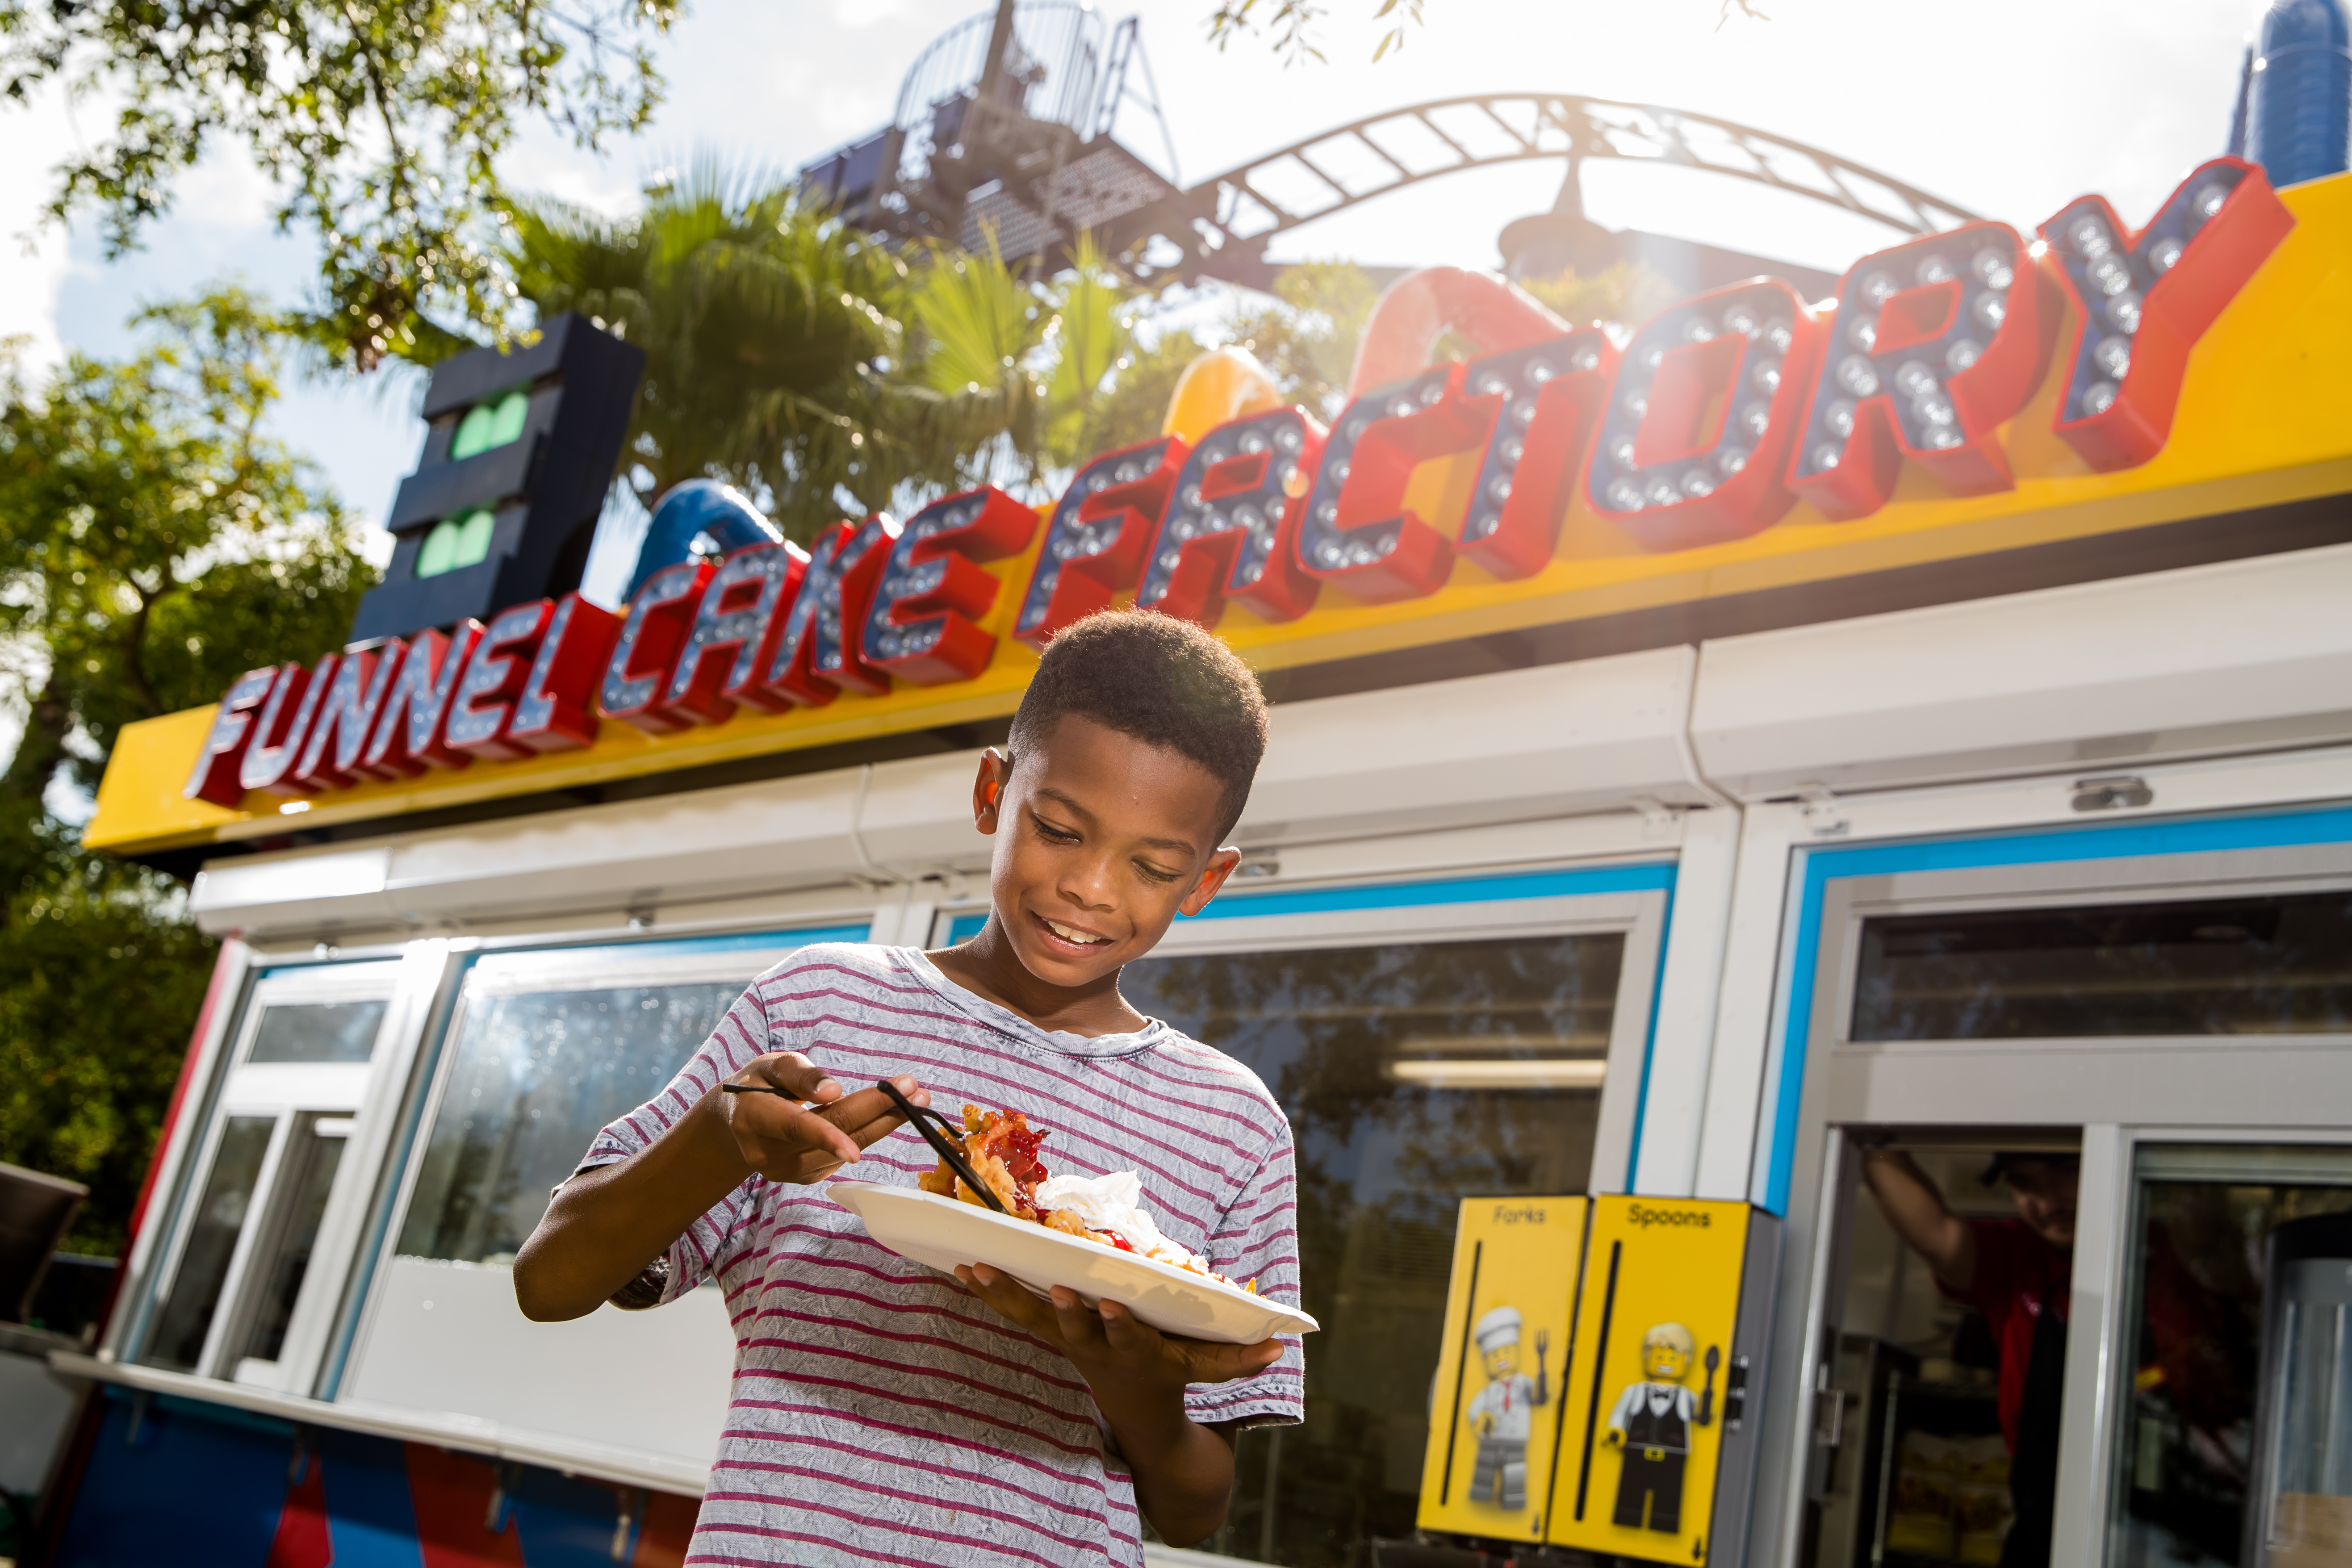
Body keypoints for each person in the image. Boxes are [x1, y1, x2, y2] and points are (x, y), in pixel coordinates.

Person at [511, 609, 1304, 1566]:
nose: (1092, 888)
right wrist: (720, 1142)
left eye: (1152, 866)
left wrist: (1125, 1378)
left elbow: (1192, 1512)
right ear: (991, 792)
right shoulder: (820, 1004)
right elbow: (549, 1281)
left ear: (1204, 881)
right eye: (1058, 829)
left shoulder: (1232, 1124)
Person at [1861, 1148, 2079, 1568]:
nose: (2048, 1201)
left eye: (2066, 1172)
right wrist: (1866, 1120)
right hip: (2039, 1532)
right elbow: (1938, 1234)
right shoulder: (2017, 1255)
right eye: (2025, 1183)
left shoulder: (2160, 1257)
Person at [1603, 1321, 1712, 1535]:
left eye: (1673, 1357)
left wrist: (1708, 1399)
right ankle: (1627, 1520)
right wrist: (1616, 1431)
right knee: (1630, 1496)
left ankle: (1664, 1524)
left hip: (1673, 1457)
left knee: (1668, 1501)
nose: (1665, 1362)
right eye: (1659, 1356)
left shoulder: (1686, 1396)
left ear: (1686, 1361)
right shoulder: (1634, 1391)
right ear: (1647, 1357)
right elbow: (1619, 1414)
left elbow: (1701, 1418)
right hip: (1636, 1452)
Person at [1465, 1305, 1549, 1512]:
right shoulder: (1489, 1390)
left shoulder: (1524, 1384)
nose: (1501, 1359)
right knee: (1484, 1472)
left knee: (1515, 1473)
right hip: (1490, 1441)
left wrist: (1542, 1367)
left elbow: (1539, 1398)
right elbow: (1474, 1410)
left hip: (1516, 1442)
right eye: (1495, 1355)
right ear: (1486, 1361)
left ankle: (1513, 1501)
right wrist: (1480, 1418)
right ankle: (1481, 1497)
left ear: (1517, 1352)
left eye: (1507, 1352)